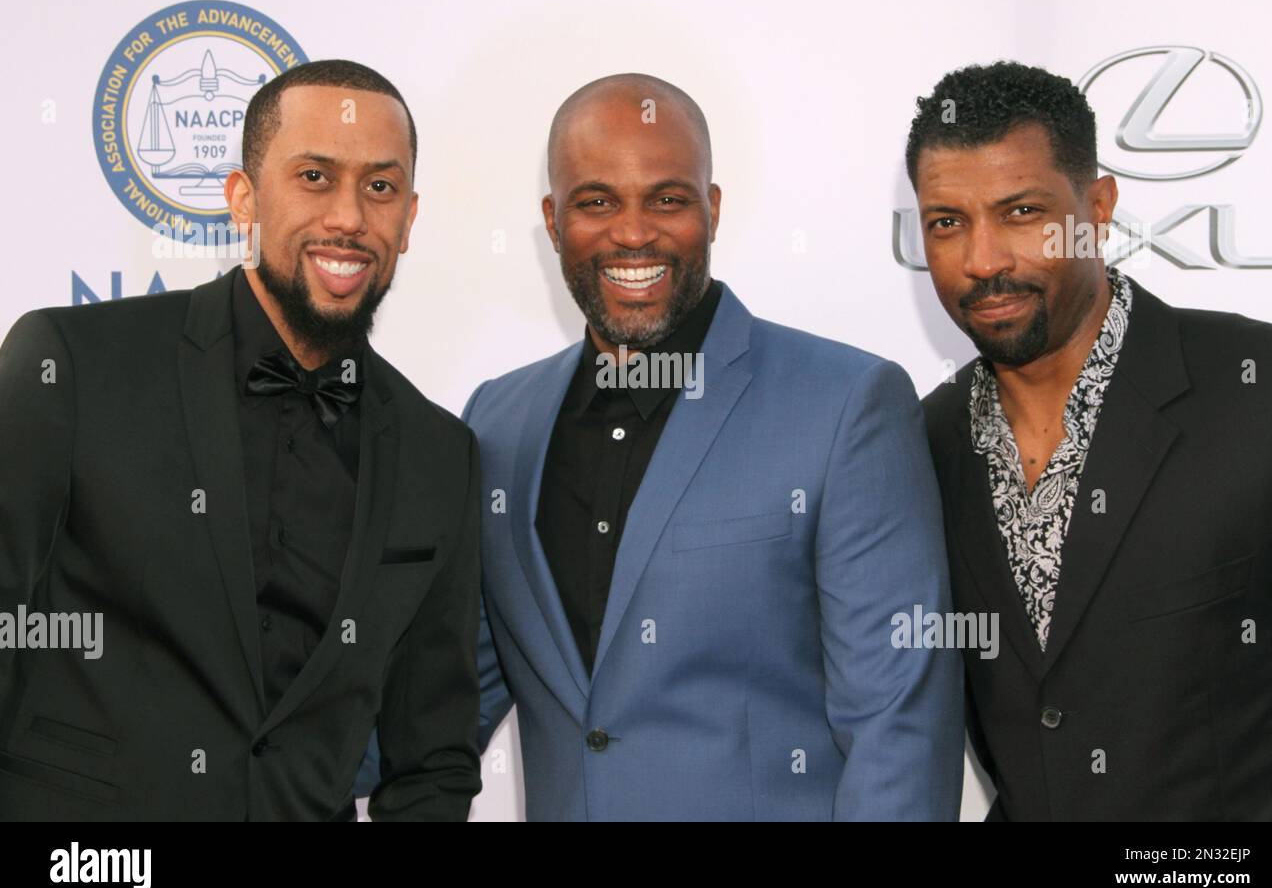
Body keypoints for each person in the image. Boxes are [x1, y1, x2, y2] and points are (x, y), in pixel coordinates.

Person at [356, 72, 964, 820]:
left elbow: (898, 725)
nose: (633, 232)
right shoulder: (497, 422)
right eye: (597, 201)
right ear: (553, 221)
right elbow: (446, 698)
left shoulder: (845, 405)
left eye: (667, 199)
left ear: (711, 210)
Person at [0, 59, 481, 820]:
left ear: (410, 218)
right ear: (243, 199)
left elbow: (434, 758)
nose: (350, 218)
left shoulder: (438, 453)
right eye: (315, 177)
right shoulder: (74, 364)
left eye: (380, 187)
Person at [911, 60, 1272, 820]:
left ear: (1097, 207)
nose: (983, 260)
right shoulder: (921, 445)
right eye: (947, 223)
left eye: (1020, 212)